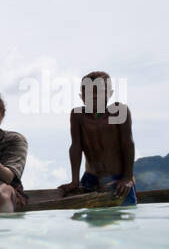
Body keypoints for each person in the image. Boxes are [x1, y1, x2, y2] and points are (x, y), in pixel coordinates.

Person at [57, 72, 136, 205]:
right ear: (81, 96)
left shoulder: (119, 111)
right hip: (91, 179)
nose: (94, 96)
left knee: (125, 220)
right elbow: (76, 146)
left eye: (99, 91)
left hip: (119, 180)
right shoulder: (78, 115)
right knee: (92, 223)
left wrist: (127, 178)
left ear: (109, 93)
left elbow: (127, 144)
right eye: (88, 92)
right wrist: (75, 181)